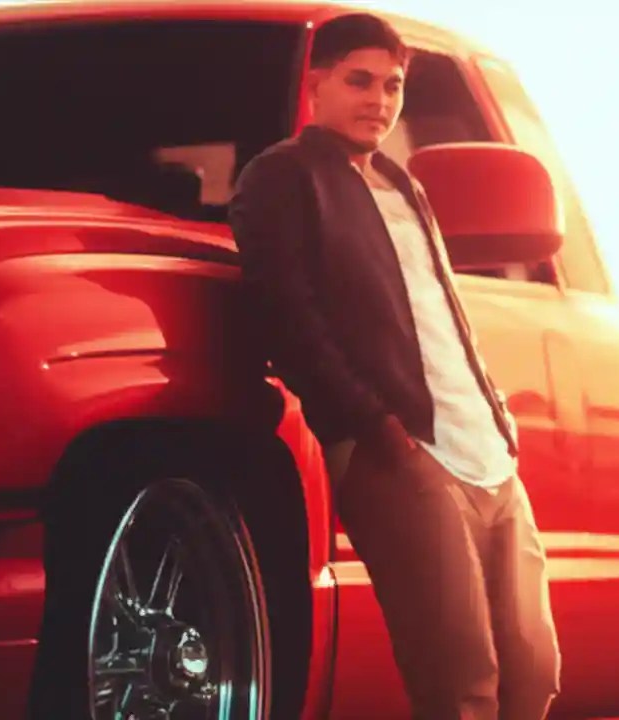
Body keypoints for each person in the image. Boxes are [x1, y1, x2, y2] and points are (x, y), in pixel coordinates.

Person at [227, 13, 561, 720]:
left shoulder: (404, 185)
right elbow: (291, 320)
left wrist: (496, 414)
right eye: (359, 80)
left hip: (488, 454)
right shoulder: (282, 178)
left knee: (534, 671)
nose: (379, 98)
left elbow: (439, 313)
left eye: (393, 85)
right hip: (402, 455)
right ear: (316, 82)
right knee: (463, 679)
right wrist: (379, 430)